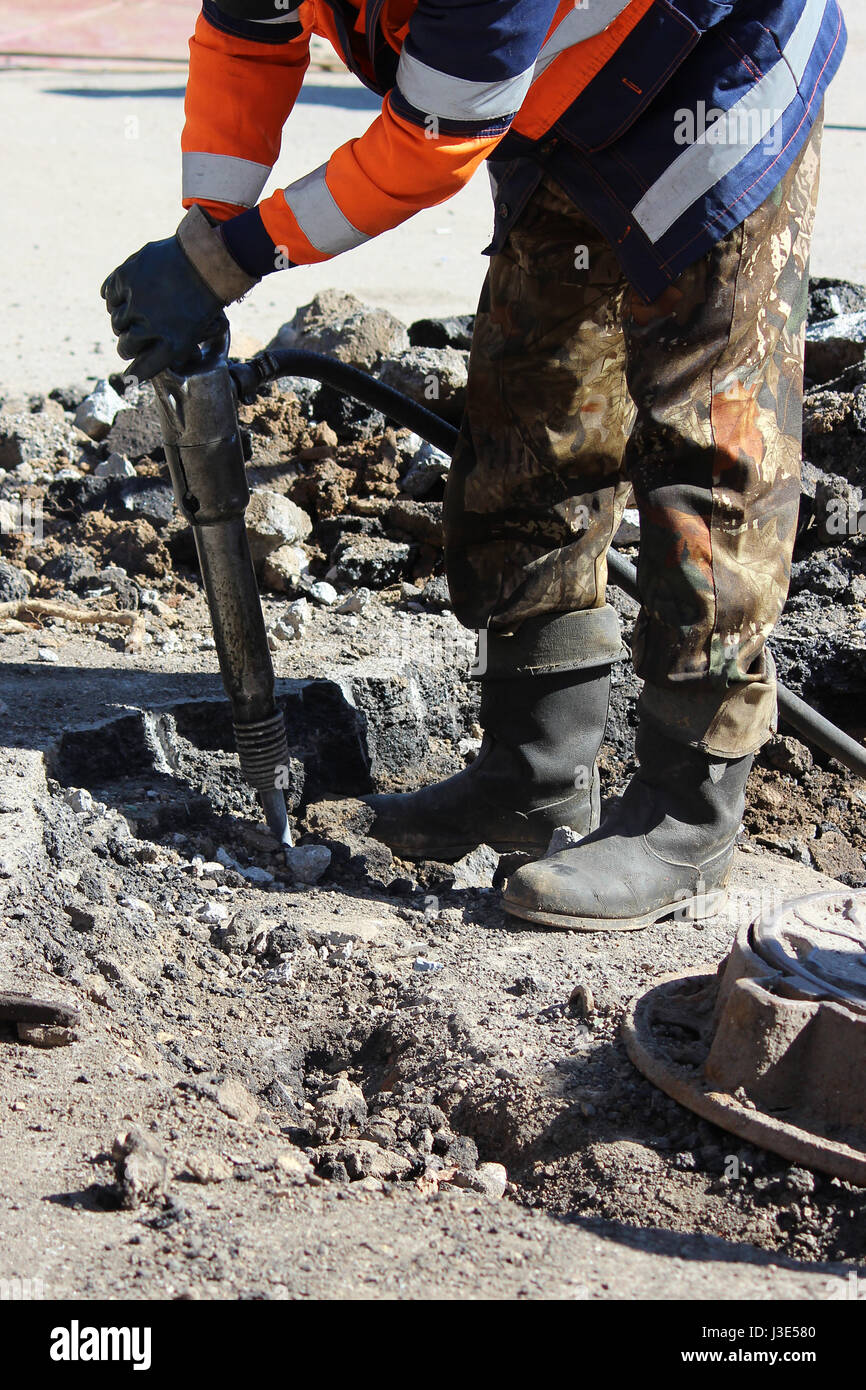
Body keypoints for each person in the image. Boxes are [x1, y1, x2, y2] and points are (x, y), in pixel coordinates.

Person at [103, 0, 846, 931]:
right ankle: (534, 773)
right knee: (531, 408)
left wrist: (231, 261)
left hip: (715, 72)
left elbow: (429, 142)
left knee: (707, 447)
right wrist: (204, 232)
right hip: (567, 97)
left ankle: (686, 816)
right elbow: (248, 36)